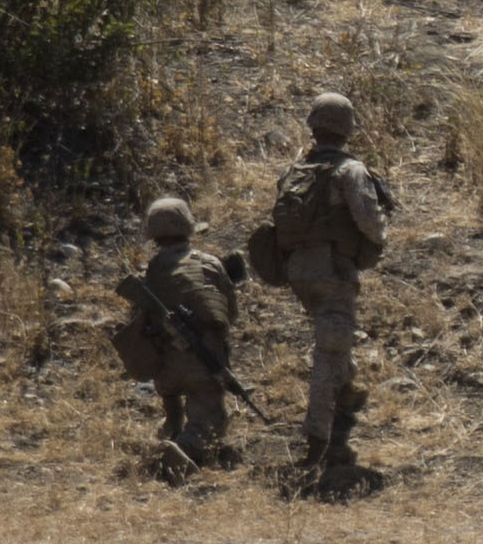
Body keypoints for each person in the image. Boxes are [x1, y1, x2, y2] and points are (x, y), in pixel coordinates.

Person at [266, 91, 392, 478]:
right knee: (329, 351)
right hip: (333, 271)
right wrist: (380, 238)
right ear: (347, 128)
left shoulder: (294, 170)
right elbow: (369, 221)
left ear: (313, 125)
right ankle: (318, 440)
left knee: (336, 342)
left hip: (298, 271)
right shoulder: (350, 171)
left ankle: (347, 399)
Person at [108, 197, 243, 470]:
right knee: (212, 426)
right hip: (202, 365)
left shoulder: (150, 273)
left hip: (164, 370)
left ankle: (172, 426)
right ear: (187, 224)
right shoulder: (209, 264)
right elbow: (230, 313)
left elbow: (139, 321)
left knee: (174, 395)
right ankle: (181, 448)